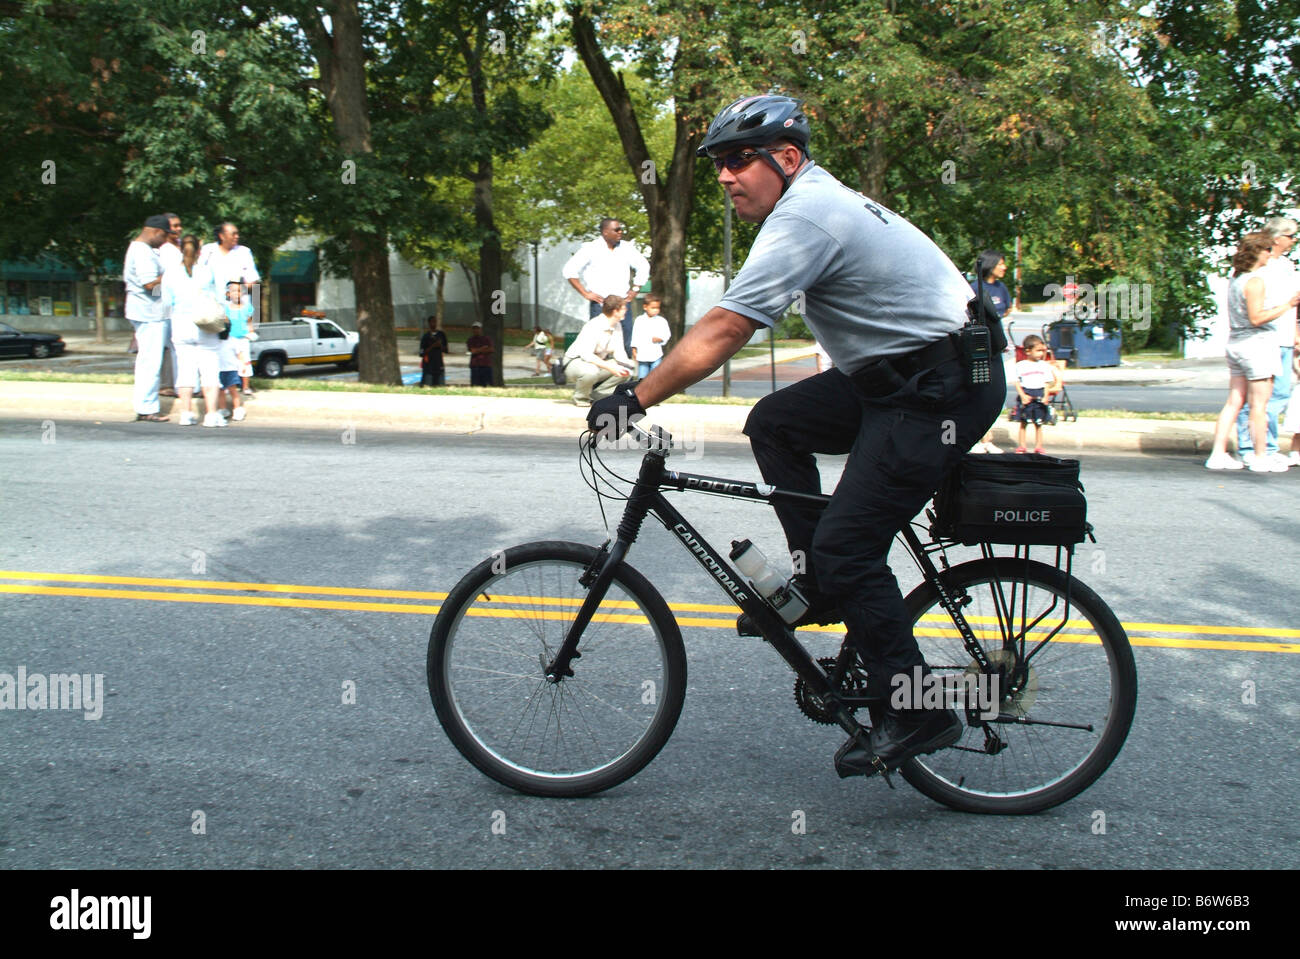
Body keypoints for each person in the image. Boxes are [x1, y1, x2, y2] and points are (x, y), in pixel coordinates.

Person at [587, 95, 1005, 780]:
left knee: (850, 544)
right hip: (899, 376)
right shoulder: (811, 204)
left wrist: (634, 397)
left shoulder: (808, 215)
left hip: (940, 388)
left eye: (738, 159)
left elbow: (727, 327)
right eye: (718, 164)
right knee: (775, 423)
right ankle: (822, 585)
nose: (725, 176)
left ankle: (917, 708)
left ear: (787, 158)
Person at [1206, 232, 1300, 471]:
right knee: (1260, 405)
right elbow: (1256, 318)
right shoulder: (1255, 281)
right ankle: (1260, 456)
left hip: (1236, 342)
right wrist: (1288, 305)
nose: (1270, 254)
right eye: (1268, 250)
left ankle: (1218, 453)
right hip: (1257, 345)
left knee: (1234, 401)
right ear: (1258, 252)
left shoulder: (1236, 278)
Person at [1234, 217, 1299, 468]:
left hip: (1284, 336)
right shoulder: (1260, 266)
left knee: (1279, 395)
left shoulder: (1287, 265)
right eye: (1291, 236)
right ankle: (1248, 446)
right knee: (1256, 397)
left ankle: (1268, 446)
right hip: (1263, 337)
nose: (1294, 240)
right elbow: (1256, 307)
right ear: (1277, 238)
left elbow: (1293, 302)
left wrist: (1295, 332)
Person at [161, 234, 222, 426]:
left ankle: (186, 413)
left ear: (181, 250)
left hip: (180, 326)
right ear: (199, 252)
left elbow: (166, 305)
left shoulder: (169, 274)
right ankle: (211, 414)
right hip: (205, 325)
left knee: (185, 372)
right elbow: (219, 297)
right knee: (210, 371)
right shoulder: (207, 271)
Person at [561, 218, 650, 342]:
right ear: (605, 232)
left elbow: (643, 266)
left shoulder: (626, 248)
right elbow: (569, 270)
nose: (620, 232)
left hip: (622, 303)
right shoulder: (591, 248)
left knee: (625, 342)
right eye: (616, 230)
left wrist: (635, 289)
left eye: (621, 229)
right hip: (600, 304)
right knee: (599, 342)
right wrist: (585, 293)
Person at [199, 222, 260, 394]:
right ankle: (218, 384)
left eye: (237, 233)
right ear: (221, 235)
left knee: (240, 349)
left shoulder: (243, 252)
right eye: (233, 234)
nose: (236, 237)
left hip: (237, 310)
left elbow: (252, 281)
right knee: (216, 348)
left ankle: (242, 384)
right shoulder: (208, 251)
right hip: (214, 310)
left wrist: (239, 288)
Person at [124, 214, 172, 421]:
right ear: (156, 232)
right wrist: (171, 277)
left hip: (150, 311)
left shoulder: (139, 249)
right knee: (150, 362)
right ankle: (147, 408)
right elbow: (150, 285)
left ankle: (147, 405)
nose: (165, 241)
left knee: (149, 360)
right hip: (149, 314)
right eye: (164, 236)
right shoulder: (142, 251)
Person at [969, 250, 1012, 453]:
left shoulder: (1001, 287)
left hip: (997, 346)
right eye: (1001, 263)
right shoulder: (974, 287)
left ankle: (987, 439)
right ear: (990, 264)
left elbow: (1007, 309)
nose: (1004, 267)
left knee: (995, 393)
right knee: (980, 393)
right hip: (980, 346)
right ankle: (979, 439)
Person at [564, 295, 635, 406]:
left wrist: (629, 366)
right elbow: (587, 355)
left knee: (627, 368)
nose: (626, 310)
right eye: (623, 308)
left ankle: (597, 395)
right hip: (575, 362)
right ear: (615, 311)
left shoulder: (617, 325)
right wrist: (610, 367)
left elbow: (619, 352)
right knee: (590, 371)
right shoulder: (594, 325)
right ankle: (581, 398)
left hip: (597, 363)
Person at [1011, 335, 1061, 453]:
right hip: (1027, 393)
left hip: (1039, 393)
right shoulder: (1020, 365)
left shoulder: (1044, 366)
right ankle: (1022, 445)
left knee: (1039, 422)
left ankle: (1039, 446)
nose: (1041, 354)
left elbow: (1047, 383)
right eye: (1038, 351)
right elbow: (1016, 382)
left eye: (1042, 351)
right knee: (1024, 422)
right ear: (1028, 351)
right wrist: (1023, 396)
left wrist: (1045, 396)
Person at [215, 281, 253, 425]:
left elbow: (240, 354)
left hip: (232, 365)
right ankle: (223, 409)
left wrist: (242, 364)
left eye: (238, 291)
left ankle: (239, 406)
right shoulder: (216, 341)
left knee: (233, 389)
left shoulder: (231, 340)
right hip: (220, 369)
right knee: (221, 390)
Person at [157, 212, 184, 398]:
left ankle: (180, 385)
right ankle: (168, 385)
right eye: (174, 226)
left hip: (182, 304)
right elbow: (156, 279)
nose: (178, 229)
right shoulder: (162, 250)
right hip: (166, 304)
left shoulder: (181, 246)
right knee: (168, 345)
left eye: (179, 225)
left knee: (178, 346)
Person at [629, 295, 671, 378]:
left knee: (655, 377)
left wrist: (660, 339)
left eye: (657, 308)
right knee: (642, 377)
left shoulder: (661, 321)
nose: (656, 310)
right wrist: (634, 349)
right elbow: (635, 335)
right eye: (653, 308)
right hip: (642, 354)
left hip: (656, 354)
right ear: (645, 307)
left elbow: (667, 334)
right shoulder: (639, 320)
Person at [420, 315, 449, 386]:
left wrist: (440, 345)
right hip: (428, 367)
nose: (434, 323)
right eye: (432, 322)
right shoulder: (425, 336)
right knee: (428, 386)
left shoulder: (441, 334)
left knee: (440, 386)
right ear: (429, 323)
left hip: (439, 365)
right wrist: (432, 346)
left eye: (435, 322)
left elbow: (446, 350)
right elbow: (421, 353)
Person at [467, 322, 494, 386]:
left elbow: (491, 349)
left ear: (481, 329)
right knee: (475, 384)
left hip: (486, 365)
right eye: (474, 328)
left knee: (488, 384)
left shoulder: (487, 339)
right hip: (475, 365)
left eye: (478, 328)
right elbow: (472, 351)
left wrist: (477, 350)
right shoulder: (470, 340)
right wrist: (483, 348)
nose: (476, 330)